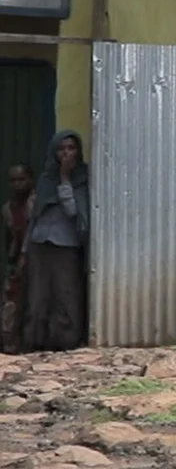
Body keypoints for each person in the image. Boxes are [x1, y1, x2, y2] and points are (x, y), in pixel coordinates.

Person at [23, 132, 89, 353]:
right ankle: (36, 342)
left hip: (66, 244)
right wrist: (25, 249)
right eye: (61, 149)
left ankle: (65, 342)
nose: (66, 153)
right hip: (40, 243)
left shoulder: (82, 178)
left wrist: (65, 178)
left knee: (66, 294)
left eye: (71, 148)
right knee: (38, 295)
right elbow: (35, 218)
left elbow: (74, 212)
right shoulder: (45, 179)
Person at [2, 164, 31, 353]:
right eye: (13, 181)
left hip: (37, 259)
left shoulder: (37, 203)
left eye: (21, 179)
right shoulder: (7, 209)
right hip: (16, 261)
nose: (18, 184)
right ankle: (10, 343)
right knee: (11, 300)